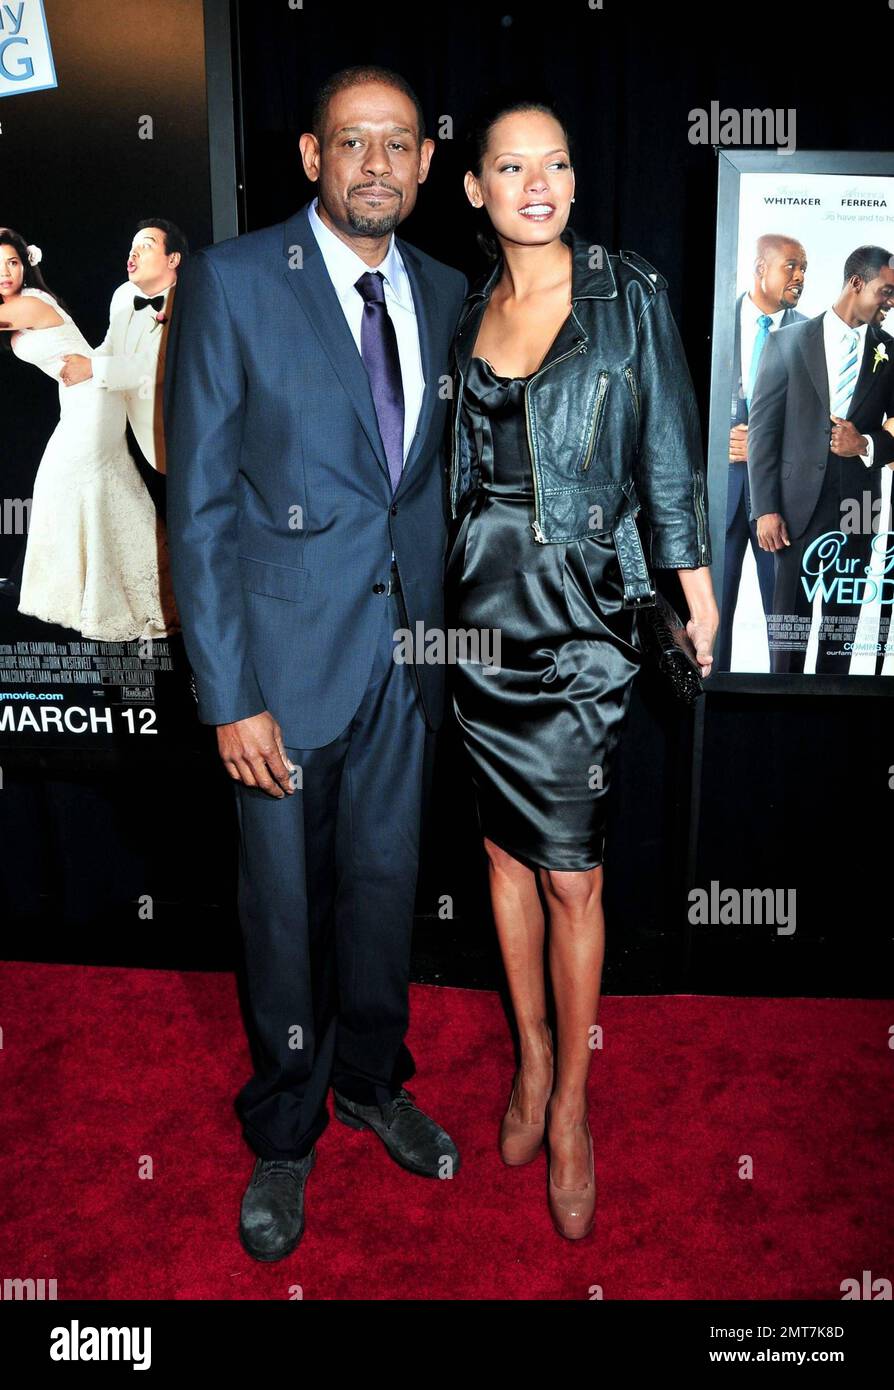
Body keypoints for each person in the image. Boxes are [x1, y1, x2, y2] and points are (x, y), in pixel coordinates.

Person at [164, 66, 467, 1262]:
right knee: (285, 911)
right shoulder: (235, 283)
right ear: (310, 156)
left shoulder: (447, 289)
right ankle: (286, 1128)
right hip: (280, 673)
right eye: (354, 142)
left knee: (386, 890)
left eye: (398, 144)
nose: (377, 163)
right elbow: (195, 509)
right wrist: (229, 693)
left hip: (406, 665)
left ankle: (369, 1081)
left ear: (426, 164)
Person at [445, 98, 717, 1240]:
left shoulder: (628, 292)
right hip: (477, 614)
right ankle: (530, 1058)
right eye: (512, 165)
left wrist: (691, 582)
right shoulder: (468, 309)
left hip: (584, 618)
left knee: (574, 875)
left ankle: (569, 1107)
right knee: (505, 858)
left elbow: (667, 447)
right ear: (477, 190)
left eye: (555, 160)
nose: (538, 181)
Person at [0, 228, 178, 641]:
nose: (6, 272)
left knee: (70, 486)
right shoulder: (22, 303)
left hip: (94, 403)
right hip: (84, 402)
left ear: (25, 265)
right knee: (106, 491)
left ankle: (125, 596)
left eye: (12, 262)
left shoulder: (29, 303)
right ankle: (151, 592)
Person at [748, 245, 894, 674]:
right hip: (792, 513)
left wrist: (865, 444)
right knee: (787, 642)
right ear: (856, 283)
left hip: (859, 512)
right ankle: (779, 731)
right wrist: (766, 510)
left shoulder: (891, 351)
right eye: (885, 292)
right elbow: (762, 433)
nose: (891, 302)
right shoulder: (786, 341)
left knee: (839, 641)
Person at [717, 235, 807, 670]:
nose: (800, 278)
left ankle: (788, 723)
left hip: (781, 507)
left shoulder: (811, 334)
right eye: (791, 267)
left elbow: (817, 423)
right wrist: (719, 441)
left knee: (784, 626)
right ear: (759, 268)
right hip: (719, 499)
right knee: (712, 627)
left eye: (804, 269)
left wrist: (760, 443)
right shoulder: (716, 319)